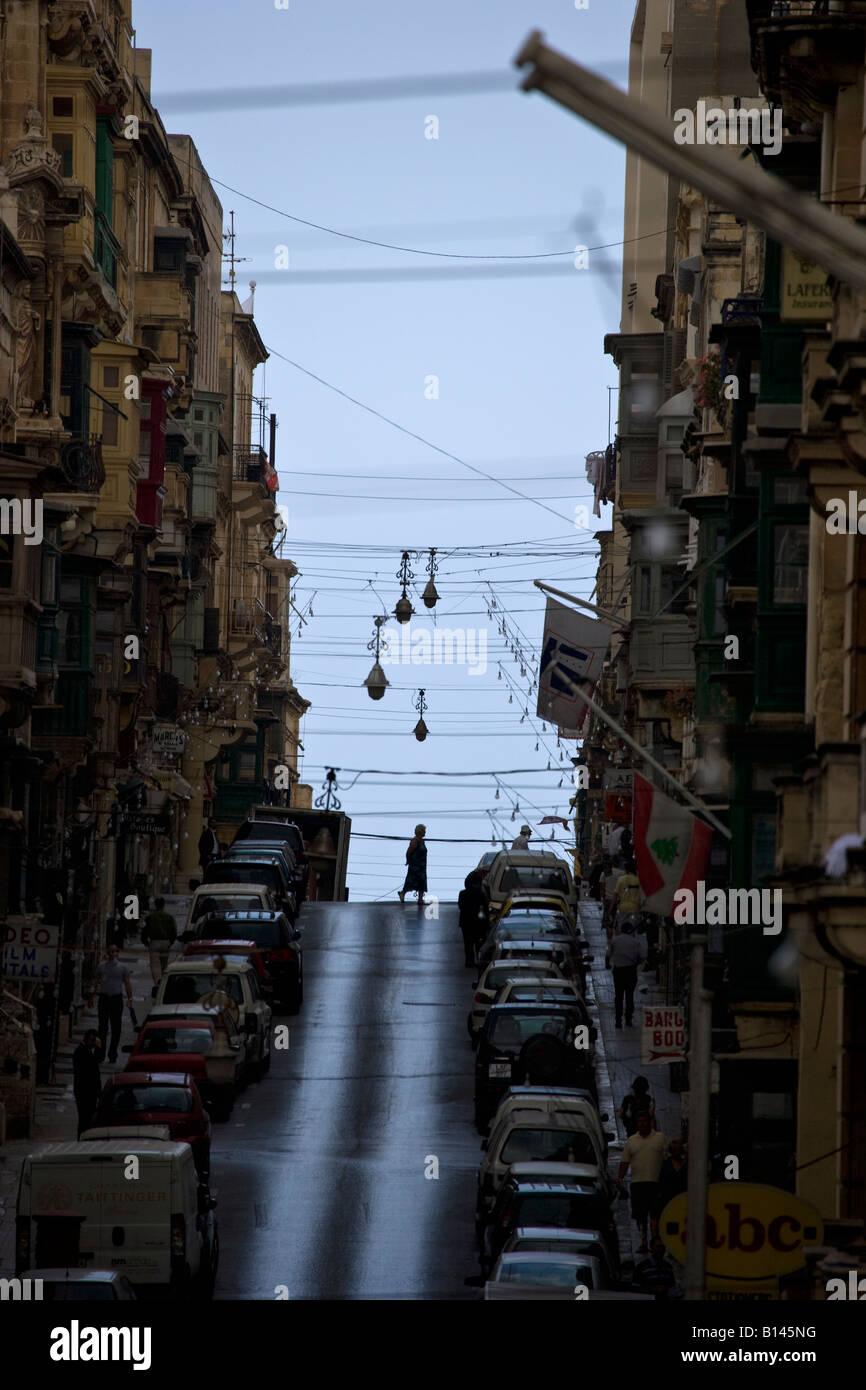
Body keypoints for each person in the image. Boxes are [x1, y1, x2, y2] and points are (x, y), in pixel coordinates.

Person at [617, 1112, 667, 1254]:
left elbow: (667, 1158)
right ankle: (644, 1242)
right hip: (637, 1183)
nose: (642, 1124)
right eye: (639, 1121)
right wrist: (620, 1178)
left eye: (644, 1121)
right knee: (640, 1216)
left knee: (655, 1215)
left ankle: (655, 1241)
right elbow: (625, 1161)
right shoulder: (631, 1141)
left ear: (649, 1122)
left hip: (655, 1182)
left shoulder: (660, 1138)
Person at [89, 944, 133, 1063]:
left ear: (117, 953)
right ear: (107, 953)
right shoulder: (101, 967)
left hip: (116, 999)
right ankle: (100, 1053)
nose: (113, 954)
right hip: (104, 998)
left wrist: (130, 998)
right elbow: (95, 981)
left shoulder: (122, 967)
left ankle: (112, 1053)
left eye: (115, 951)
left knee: (116, 1028)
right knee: (102, 1027)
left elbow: (127, 983)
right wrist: (91, 995)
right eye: (111, 952)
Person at [605, 919, 646, 1028]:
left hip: (618, 971)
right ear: (630, 931)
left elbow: (608, 954)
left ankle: (618, 1020)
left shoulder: (615, 941)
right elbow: (642, 957)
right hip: (630, 971)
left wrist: (608, 964)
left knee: (618, 996)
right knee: (629, 996)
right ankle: (628, 1019)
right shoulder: (635, 942)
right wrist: (635, 963)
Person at [72, 1029, 104, 1138]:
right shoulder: (81, 1052)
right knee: (85, 1118)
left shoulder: (88, 1051)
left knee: (88, 1119)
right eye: (92, 1040)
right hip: (84, 1091)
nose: (93, 1043)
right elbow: (92, 1065)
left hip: (90, 1091)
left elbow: (99, 1060)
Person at [653, 1137, 688, 1235]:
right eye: (674, 1150)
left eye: (678, 1150)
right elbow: (660, 1180)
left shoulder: (687, 1165)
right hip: (668, 1199)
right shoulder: (665, 1164)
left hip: (683, 1199)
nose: (676, 1152)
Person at [141, 896, 178, 985]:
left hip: (154, 942)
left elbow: (145, 930)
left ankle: (157, 981)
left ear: (155, 905)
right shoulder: (169, 917)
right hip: (166, 942)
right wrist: (170, 942)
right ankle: (163, 981)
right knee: (164, 963)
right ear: (163, 905)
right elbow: (174, 931)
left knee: (154, 964)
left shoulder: (150, 917)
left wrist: (145, 941)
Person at [458, 869, 488, 966]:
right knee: (478, 943)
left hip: (466, 922)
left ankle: (469, 961)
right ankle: (479, 960)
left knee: (468, 944)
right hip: (479, 923)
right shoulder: (481, 895)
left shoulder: (462, 894)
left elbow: (461, 906)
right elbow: (486, 910)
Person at [399, 824, 427, 905]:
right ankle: (402, 893)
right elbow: (408, 852)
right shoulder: (415, 841)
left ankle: (420, 899)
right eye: (424, 831)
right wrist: (408, 860)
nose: (425, 832)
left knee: (422, 881)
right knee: (411, 881)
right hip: (415, 866)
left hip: (422, 866)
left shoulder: (422, 841)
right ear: (420, 831)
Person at [612, 858, 642, 929]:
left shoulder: (621, 879)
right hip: (635, 907)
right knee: (632, 928)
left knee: (621, 927)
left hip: (623, 907)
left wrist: (611, 907)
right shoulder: (638, 880)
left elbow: (615, 894)